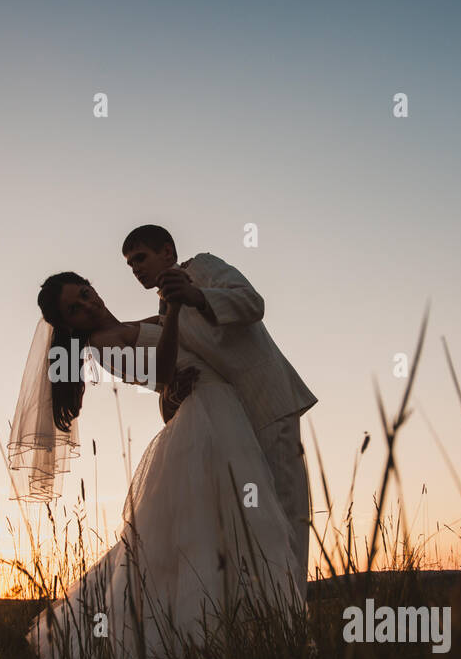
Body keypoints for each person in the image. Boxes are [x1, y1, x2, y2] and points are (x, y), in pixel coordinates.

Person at [11, 271, 305, 659]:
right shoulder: (101, 346)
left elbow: (185, 348)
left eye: (85, 294)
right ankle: (170, 641)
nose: (87, 306)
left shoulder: (133, 325)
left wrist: (183, 308)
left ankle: (242, 637)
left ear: (94, 287)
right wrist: (170, 356)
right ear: (69, 326)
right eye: (74, 310)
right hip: (203, 422)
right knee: (201, 535)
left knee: (222, 530)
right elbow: (165, 369)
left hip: (218, 411)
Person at [121, 225, 317, 598]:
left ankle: (294, 618)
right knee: (252, 522)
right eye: (130, 265)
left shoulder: (204, 268)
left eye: (141, 258)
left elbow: (252, 303)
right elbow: (172, 370)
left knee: (287, 514)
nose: (136, 269)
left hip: (267, 403)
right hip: (231, 425)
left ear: (167, 251)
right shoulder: (166, 314)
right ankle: (263, 617)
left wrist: (196, 295)